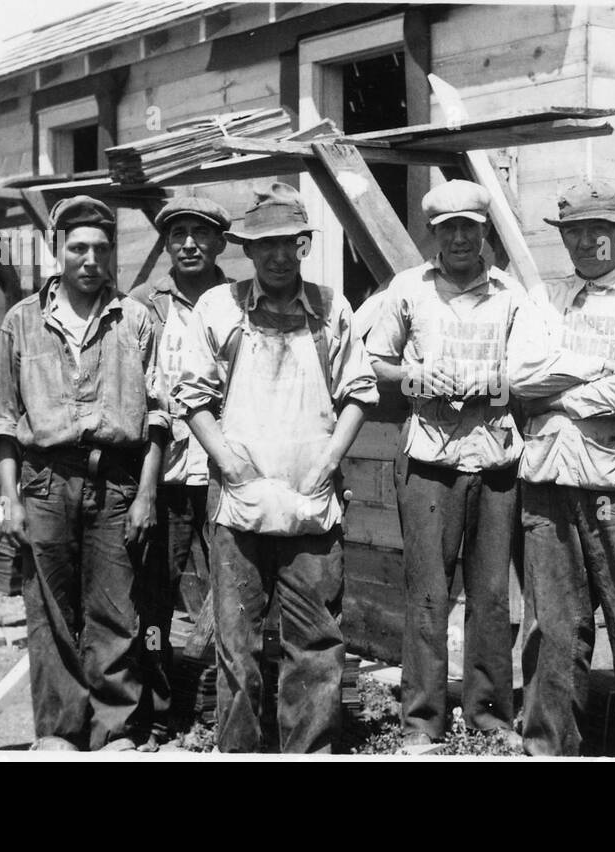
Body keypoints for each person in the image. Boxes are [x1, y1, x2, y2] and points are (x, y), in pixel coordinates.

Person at [173, 183, 377, 753]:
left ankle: (308, 750)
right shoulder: (220, 308)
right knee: (237, 647)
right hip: (240, 504)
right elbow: (191, 397)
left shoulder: (333, 307)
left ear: (305, 245)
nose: (279, 255)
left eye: (289, 243)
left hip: (312, 503)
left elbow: (359, 391)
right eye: (266, 245)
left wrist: (330, 460)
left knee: (314, 643)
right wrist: (229, 464)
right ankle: (238, 750)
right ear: (248, 250)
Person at [0, 195, 168, 751]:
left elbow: (161, 414)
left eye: (101, 248)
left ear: (112, 254)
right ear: (57, 251)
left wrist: (147, 495)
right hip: (44, 482)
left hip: (117, 482)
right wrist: (10, 497)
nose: (90, 259)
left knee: (115, 610)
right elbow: (1, 417)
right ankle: (59, 732)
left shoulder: (136, 319)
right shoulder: (21, 323)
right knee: (50, 611)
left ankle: (114, 729)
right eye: (78, 248)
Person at [507, 180, 615, 756]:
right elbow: (520, 376)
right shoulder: (542, 300)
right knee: (552, 629)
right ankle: (548, 748)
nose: (588, 242)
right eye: (576, 231)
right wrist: (593, 366)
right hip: (548, 482)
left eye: (599, 230)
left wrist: (562, 396)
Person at [367, 179, 520, 752]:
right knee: (429, 592)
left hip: (496, 455)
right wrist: (415, 378)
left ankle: (490, 716)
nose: (459, 238)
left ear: (484, 233)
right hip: (428, 457)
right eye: (447, 228)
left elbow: (531, 369)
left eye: (470, 228)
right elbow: (375, 360)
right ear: (433, 233)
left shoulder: (511, 293)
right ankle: (422, 722)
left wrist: (495, 384)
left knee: (491, 595)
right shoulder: (409, 288)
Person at [128, 196, 236, 749]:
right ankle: (158, 712)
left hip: (226, 470)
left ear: (220, 242)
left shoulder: (240, 299)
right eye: (178, 235)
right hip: (165, 470)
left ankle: (226, 712)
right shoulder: (144, 304)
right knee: (155, 597)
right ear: (166, 244)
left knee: (236, 590)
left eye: (201, 233)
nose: (189, 243)